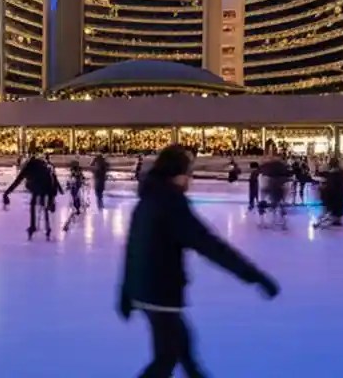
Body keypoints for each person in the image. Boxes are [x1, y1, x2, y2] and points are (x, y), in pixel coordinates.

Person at [118, 144, 279, 377]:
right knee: (167, 359)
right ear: (177, 174)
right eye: (188, 172)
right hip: (161, 294)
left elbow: (132, 250)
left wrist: (126, 292)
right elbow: (210, 246)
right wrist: (255, 276)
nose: (190, 179)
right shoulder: (171, 204)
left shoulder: (148, 200)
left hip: (147, 292)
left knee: (183, 353)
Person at [3, 151, 61, 240]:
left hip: (39, 186)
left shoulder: (28, 167)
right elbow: (53, 178)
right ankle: (47, 227)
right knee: (42, 205)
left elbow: (17, 182)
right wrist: (53, 196)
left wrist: (6, 193)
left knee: (34, 203)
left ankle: (33, 226)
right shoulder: (43, 164)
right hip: (47, 187)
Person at [315, 157, 343, 228]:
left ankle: (326, 220)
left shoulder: (332, 173)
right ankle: (335, 219)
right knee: (336, 208)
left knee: (329, 208)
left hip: (333, 194)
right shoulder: (339, 173)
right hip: (338, 194)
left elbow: (330, 183)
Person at [63, 159, 86, 232]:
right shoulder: (77, 171)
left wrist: (69, 184)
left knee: (75, 198)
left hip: (75, 186)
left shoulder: (76, 172)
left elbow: (76, 179)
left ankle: (77, 208)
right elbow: (77, 178)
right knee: (76, 198)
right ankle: (77, 208)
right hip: (75, 186)